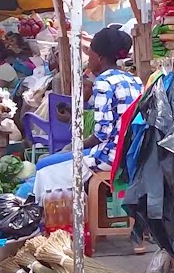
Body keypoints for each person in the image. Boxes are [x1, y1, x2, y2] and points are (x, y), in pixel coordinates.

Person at [33, 26, 146, 251]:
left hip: (109, 157)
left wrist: (76, 146)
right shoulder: (135, 81)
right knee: (59, 158)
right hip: (133, 153)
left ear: (100, 57)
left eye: (90, 55)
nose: (88, 60)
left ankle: (49, 232)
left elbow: (102, 133)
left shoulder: (104, 83)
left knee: (44, 165)